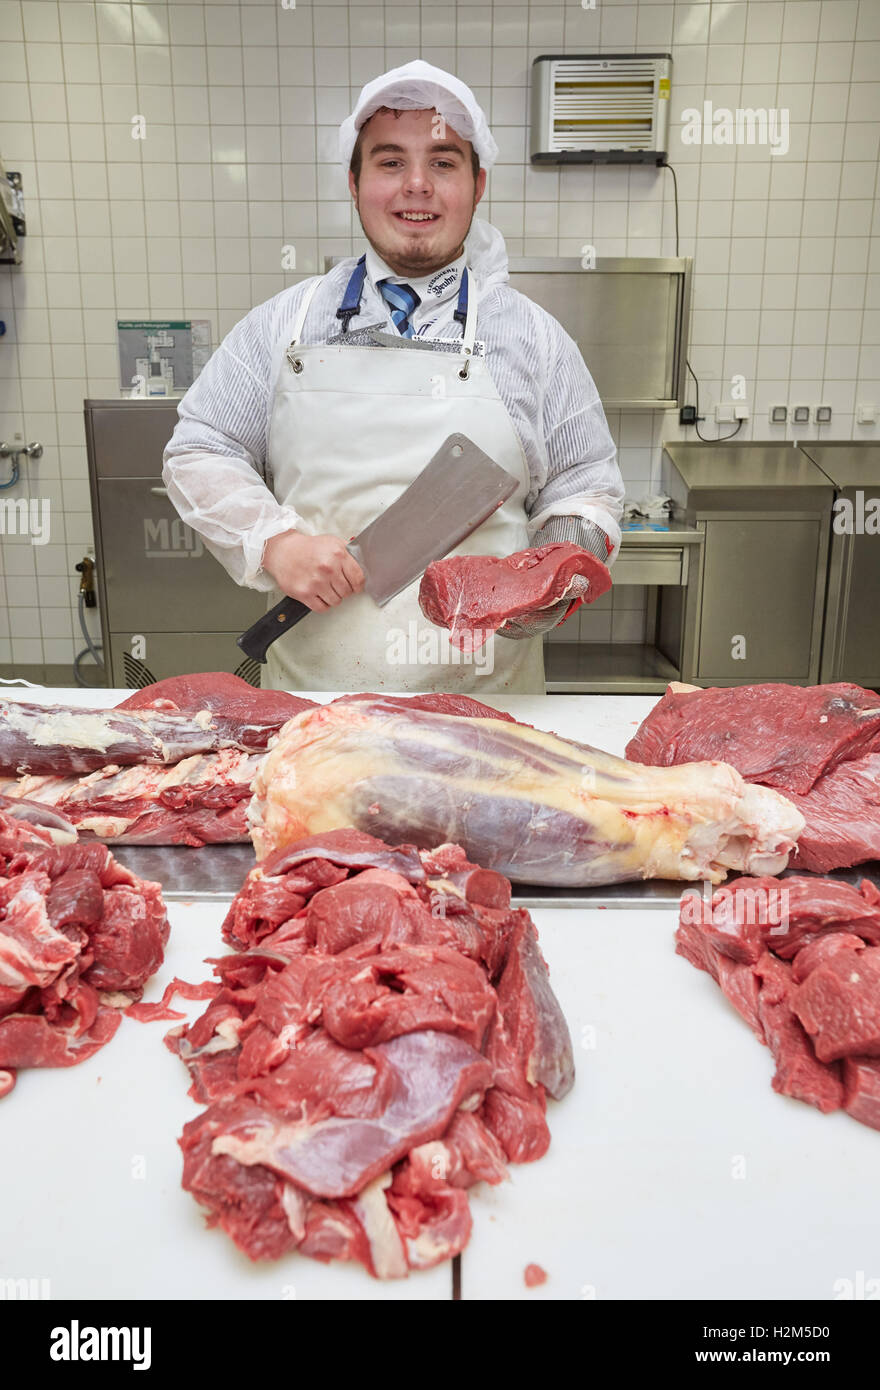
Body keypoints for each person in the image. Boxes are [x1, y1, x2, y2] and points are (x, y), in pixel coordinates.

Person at [162, 59, 625, 694]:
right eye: (389, 162)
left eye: (442, 162)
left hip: (491, 706)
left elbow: (585, 487)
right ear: (354, 183)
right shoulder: (282, 324)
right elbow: (200, 449)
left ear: (476, 184)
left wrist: (552, 577)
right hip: (317, 702)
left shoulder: (535, 339)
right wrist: (275, 544)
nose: (417, 185)